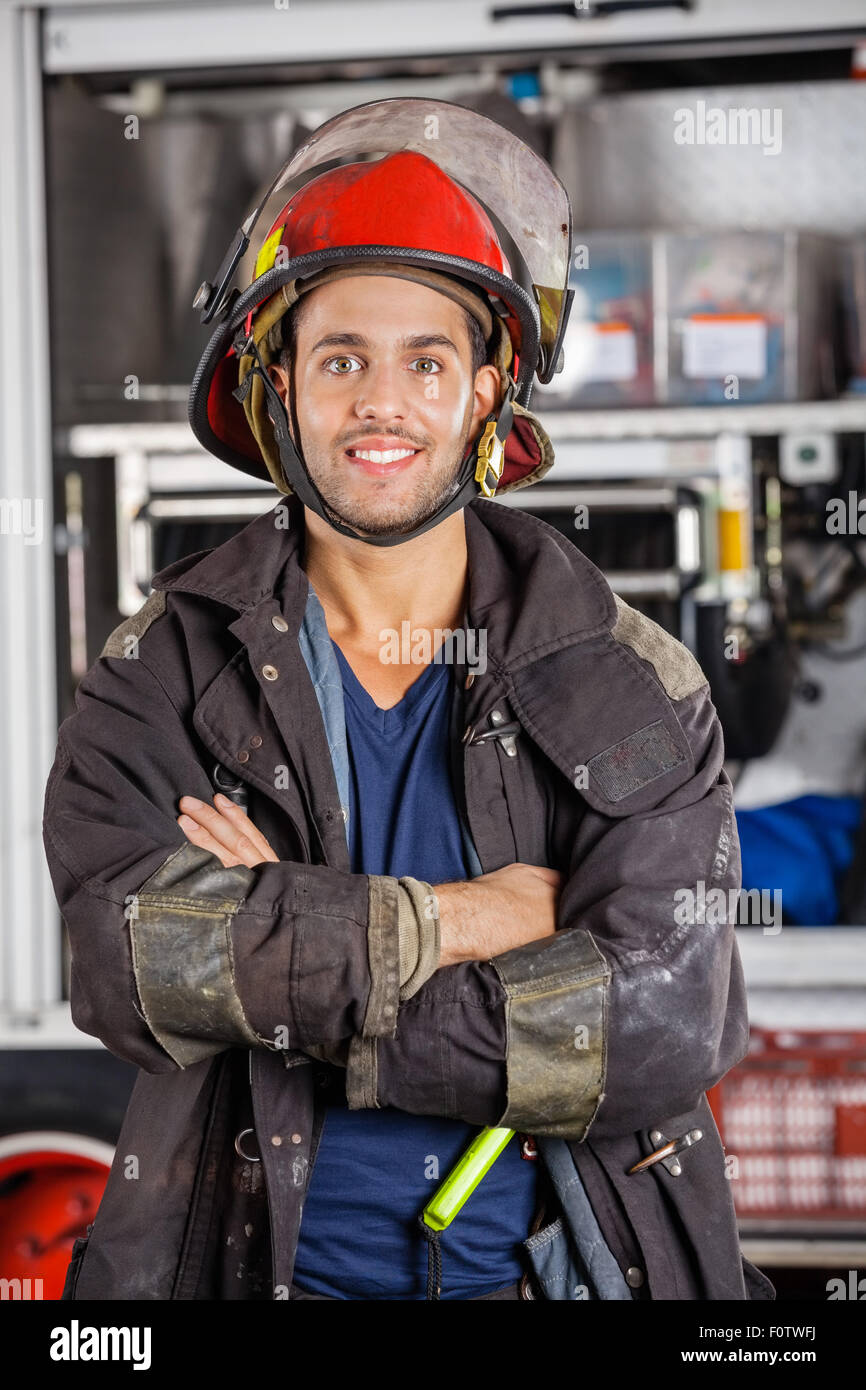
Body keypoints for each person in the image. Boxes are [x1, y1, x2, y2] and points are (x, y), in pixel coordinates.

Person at [43, 98, 774, 1301]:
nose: (380, 403)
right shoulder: (161, 668)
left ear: (485, 391)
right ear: (278, 381)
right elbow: (127, 965)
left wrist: (289, 947)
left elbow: (656, 1027)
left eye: (424, 361)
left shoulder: (628, 675)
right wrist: (462, 921)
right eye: (341, 359)